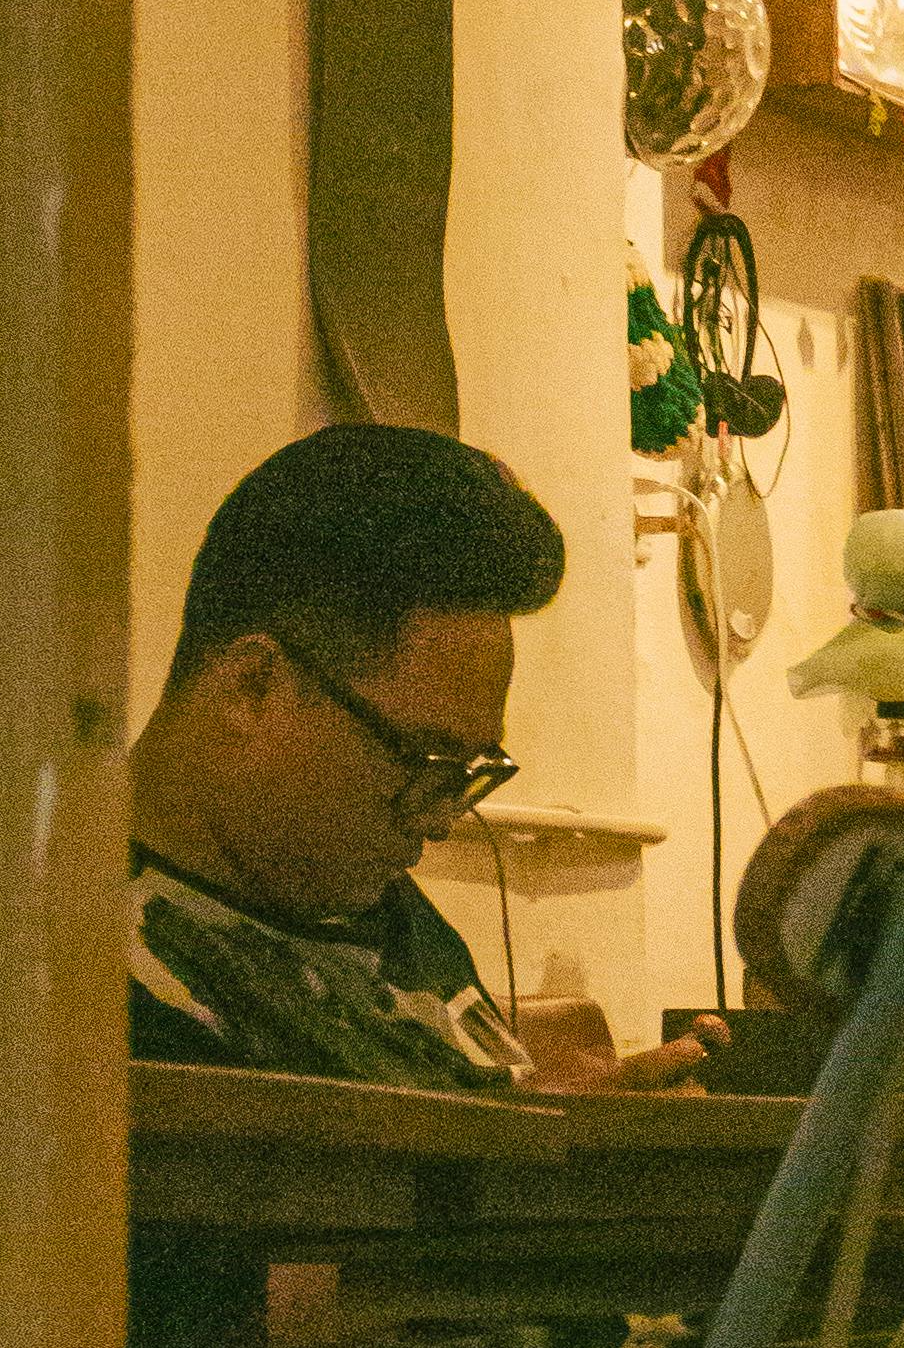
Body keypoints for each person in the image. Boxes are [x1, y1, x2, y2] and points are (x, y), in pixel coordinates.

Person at [130, 422, 709, 1090]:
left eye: (466, 774)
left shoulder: (376, 905)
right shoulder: (70, 979)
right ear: (251, 686)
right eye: (422, 761)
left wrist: (575, 1129)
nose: (436, 823)